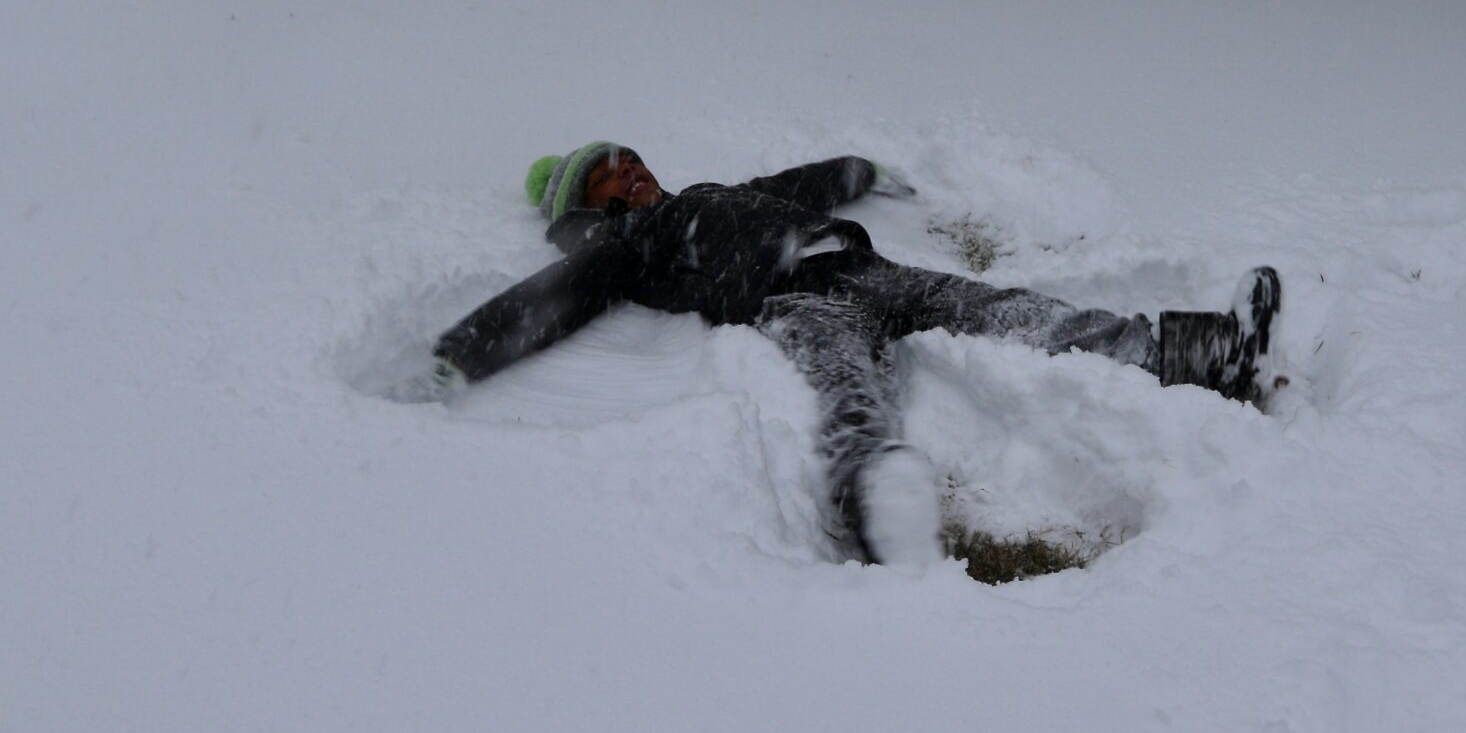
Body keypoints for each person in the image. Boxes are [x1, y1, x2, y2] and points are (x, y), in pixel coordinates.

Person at [427, 142, 1282, 567]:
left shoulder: (702, 196)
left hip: (864, 263)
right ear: (587, 202)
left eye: (634, 159)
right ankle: (875, 497)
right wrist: (462, 352)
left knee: (1012, 310)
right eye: (611, 173)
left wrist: (854, 169)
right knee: (844, 383)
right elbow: (550, 301)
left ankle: (1205, 350)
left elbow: (794, 187)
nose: (633, 172)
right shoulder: (623, 245)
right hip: (791, 300)